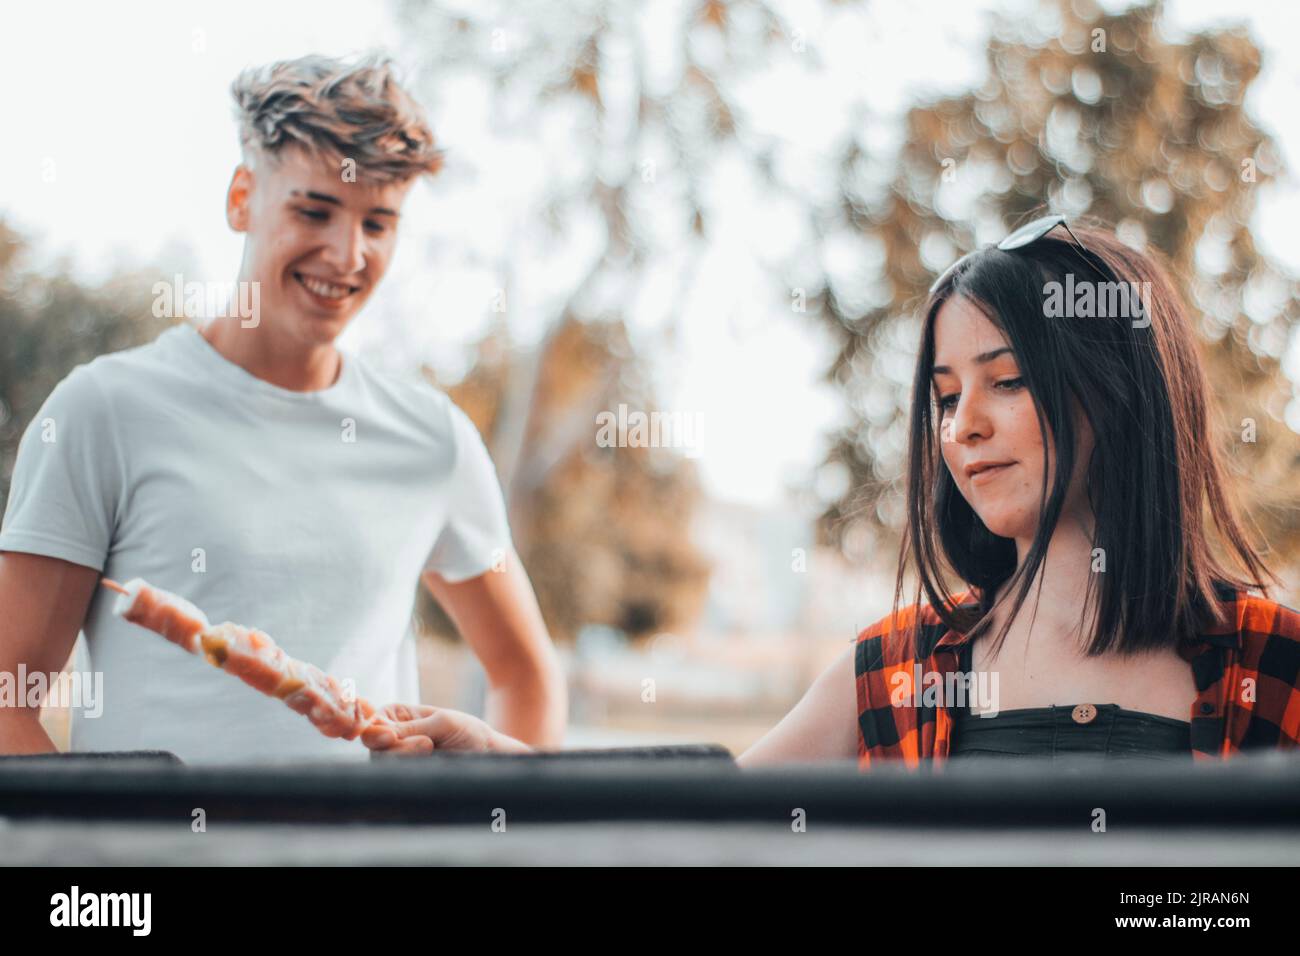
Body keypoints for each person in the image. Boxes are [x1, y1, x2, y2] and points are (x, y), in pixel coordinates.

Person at [363, 217, 1300, 764]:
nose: (960, 427)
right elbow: (706, 810)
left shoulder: (1275, 662)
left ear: (1119, 390)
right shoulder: (895, 670)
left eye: (1006, 381)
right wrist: (502, 767)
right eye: (943, 396)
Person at [0, 53, 566, 763]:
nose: (346, 254)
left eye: (379, 224)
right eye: (314, 210)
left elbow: (526, 676)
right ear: (242, 197)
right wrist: (94, 861)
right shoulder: (102, 410)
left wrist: (490, 830)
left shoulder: (433, 439)